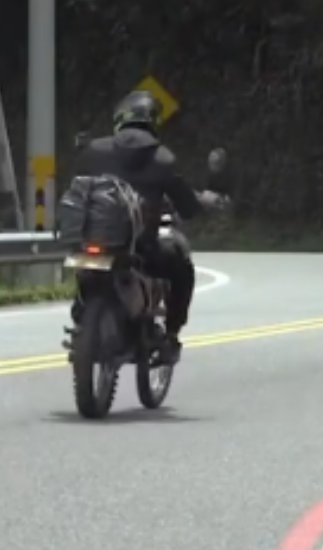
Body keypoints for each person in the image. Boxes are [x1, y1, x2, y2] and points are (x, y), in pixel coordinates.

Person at [68, 90, 228, 363]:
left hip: (93, 243)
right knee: (181, 266)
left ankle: (83, 320)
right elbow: (187, 206)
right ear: (152, 121)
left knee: (85, 267)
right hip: (140, 248)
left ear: (119, 119)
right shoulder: (162, 158)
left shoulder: (93, 150)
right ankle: (171, 336)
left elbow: (76, 189)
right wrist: (202, 204)